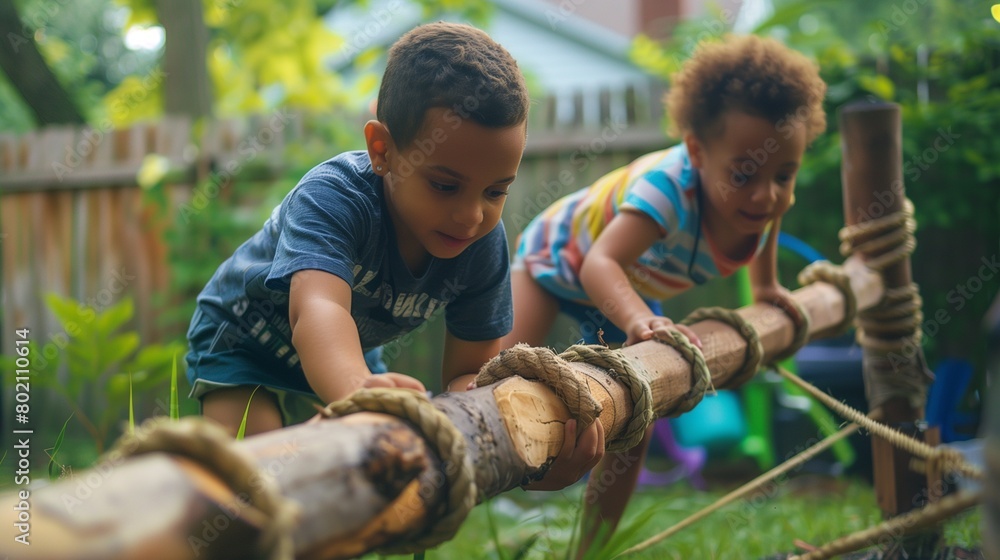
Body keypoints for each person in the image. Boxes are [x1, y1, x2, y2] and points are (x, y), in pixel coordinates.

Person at [502, 34, 828, 550]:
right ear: (697, 151)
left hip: (624, 283)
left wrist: (767, 287)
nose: (766, 194)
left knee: (636, 419)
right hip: (557, 258)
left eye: (783, 174)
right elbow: (598, 262)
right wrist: (638, 320)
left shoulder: (765, 191)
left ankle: (593, 546)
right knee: (502, 381)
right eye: (744, 175)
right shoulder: (667, 191)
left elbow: (771, 219)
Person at [185, 22, 543, 439]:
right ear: (382, 150)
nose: (471, 215)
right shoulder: (333, 198)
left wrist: (504, 417)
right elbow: (319, 309)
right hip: (245, 342)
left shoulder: (480, 245)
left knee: (375, 473)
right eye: (445, 186)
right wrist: (357, 389)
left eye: (496, 191)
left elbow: (468, 374)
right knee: (263, 477)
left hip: (350, 354)